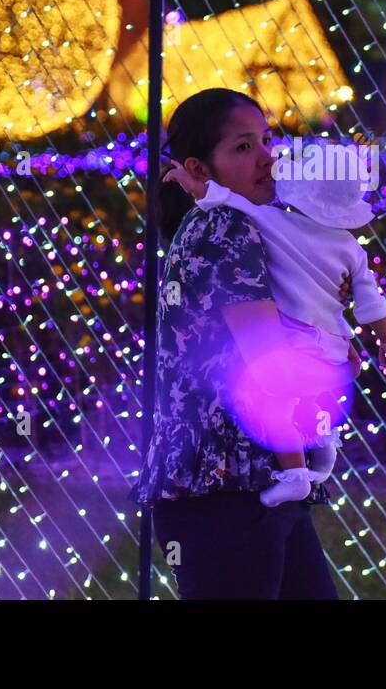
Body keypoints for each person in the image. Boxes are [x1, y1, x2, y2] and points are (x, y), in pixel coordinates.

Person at [129, 87, 345, 599]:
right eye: (244, 147)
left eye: (267, 140)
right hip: (225, 489)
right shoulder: (223, 230)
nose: (267, 156)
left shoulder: (236, 226)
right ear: (199, 170)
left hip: (256, 482)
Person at [164, 138, 386, 505]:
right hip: (336, 342)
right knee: (310, 395)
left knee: (273, 401)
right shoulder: (351, 247)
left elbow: (228, 201)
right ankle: (323, 441)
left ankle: (294, 474)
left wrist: (193, 186)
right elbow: (371, 302)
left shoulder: (271, 222)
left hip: (296, 338)